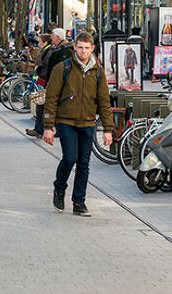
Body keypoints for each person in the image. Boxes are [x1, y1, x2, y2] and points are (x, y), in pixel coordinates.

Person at [42, 32, 112, 216]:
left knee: (84, 163)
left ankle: (79, 202)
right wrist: (48, 126)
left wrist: (108, 129)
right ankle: (59, 187)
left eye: (87, 48)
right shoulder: (62, 68)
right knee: (70, 157)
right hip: (66, 121)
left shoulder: (98, 71)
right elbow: (51, 98)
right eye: (80, 47)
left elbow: (104, 101)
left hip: (88, 122)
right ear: (74, 47)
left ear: (92, 49)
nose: (83, 51)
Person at [27, 28, 71, 138]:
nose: (51, 37)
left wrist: (48, 81)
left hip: (55, 82)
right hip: (53, 81)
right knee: (50, 106)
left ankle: (40, 130)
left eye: (52, 36)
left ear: (57, 37)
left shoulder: (61, 50)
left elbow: (52, 67)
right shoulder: (57, 48)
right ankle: (52, 130)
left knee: (43, 106)